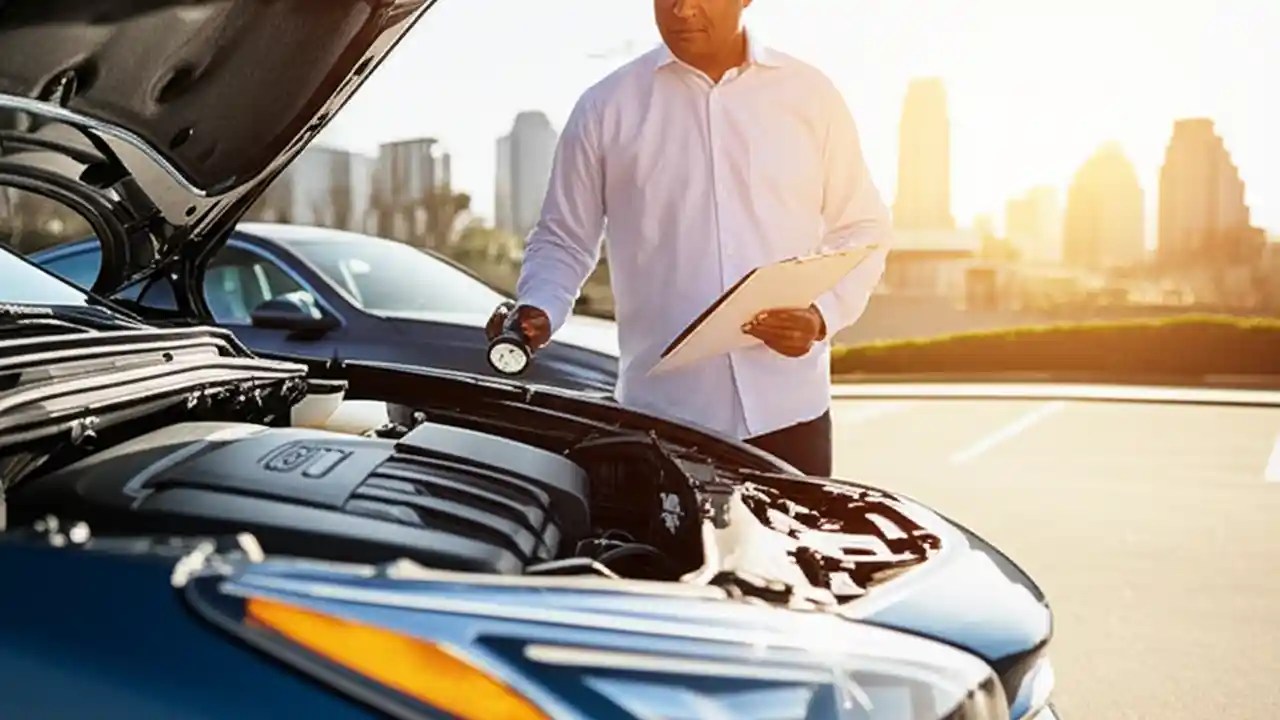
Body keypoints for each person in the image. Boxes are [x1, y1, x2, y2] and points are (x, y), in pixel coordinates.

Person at [487, 0, 891, 476]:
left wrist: (822, 315)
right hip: (663, 418)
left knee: (791, 554)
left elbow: (864, 225)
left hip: (791, 412)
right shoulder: (605, 107)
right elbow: (564, 237)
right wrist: (539, 306)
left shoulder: (810, 96)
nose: (680, 10)